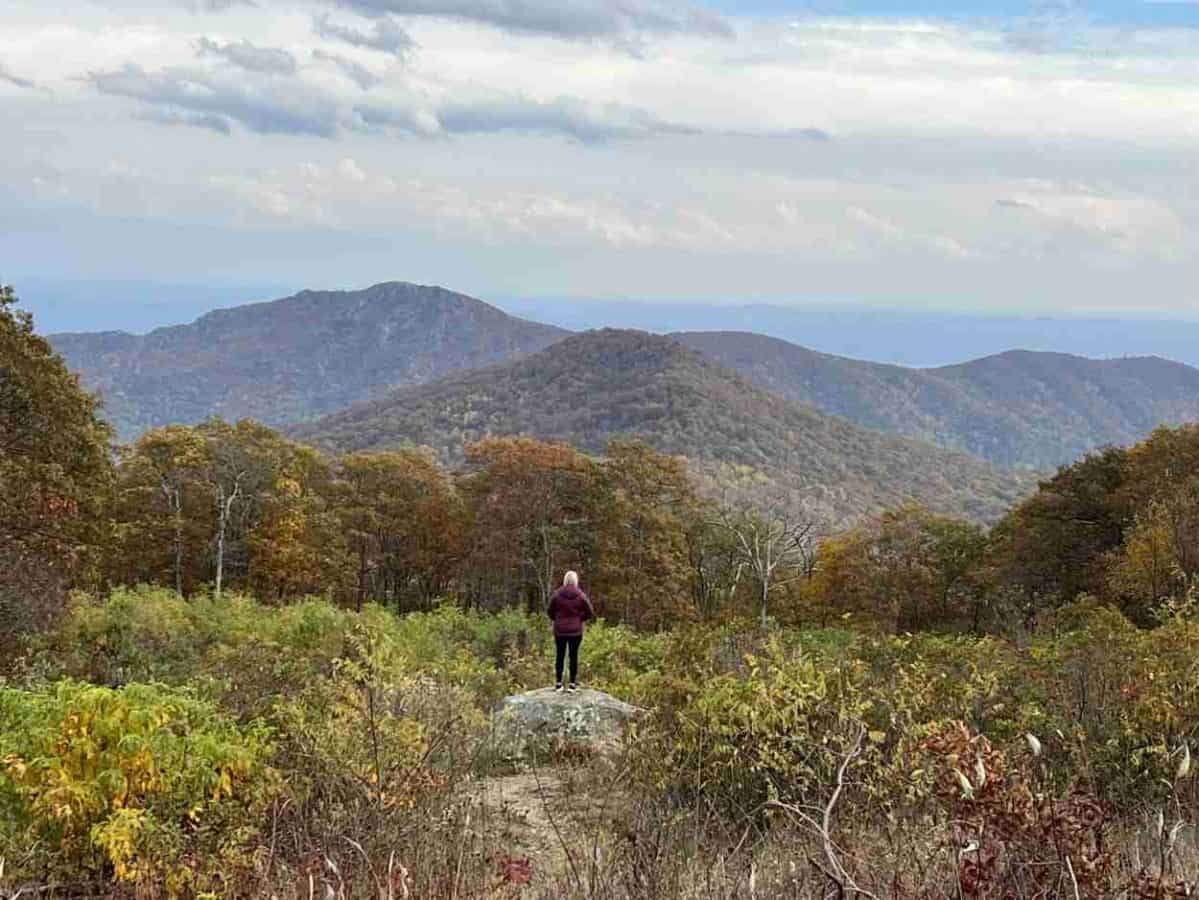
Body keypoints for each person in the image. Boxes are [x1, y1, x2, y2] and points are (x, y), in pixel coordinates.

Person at [547, 570, 595, 692]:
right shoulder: (580, 595)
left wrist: (557, 619)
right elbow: (590, 612)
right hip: (575, 631)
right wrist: (579, 619)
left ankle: (558, 683)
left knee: (560, 655)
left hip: (560, 630)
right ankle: (572, 683)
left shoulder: (557, 595)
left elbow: (549, 610)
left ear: (565, 580)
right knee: (573, 656)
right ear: (575, 581)